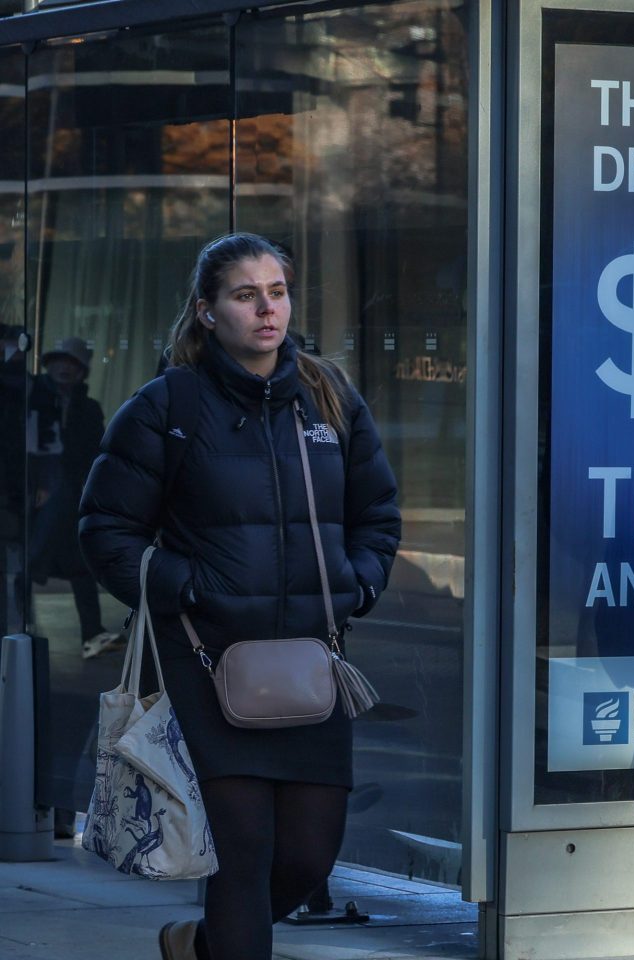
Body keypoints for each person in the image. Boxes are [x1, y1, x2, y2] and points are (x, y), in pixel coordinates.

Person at [78, 233, 401, 960]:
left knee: (307, 861)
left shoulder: (329, 398)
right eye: (245, 294)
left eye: (277, 292)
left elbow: (378, 514)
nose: (266, 309)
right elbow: (105, 530)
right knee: (243, 858)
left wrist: (359, 585)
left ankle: (197, 946)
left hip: (309, 668)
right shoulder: (167, 407)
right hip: (207, 667)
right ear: (207, 311)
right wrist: (186, 590)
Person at [28, 337, 123, 657]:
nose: (64, 368)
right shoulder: (32, 398)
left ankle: (92, 634)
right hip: (33, 498)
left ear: (82, 371)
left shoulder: (88, 408)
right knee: (24, 568)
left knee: (80, 566)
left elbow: (94, 453)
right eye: (58, 361)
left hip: (67, 501)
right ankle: (23, 626)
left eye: (72, 363)